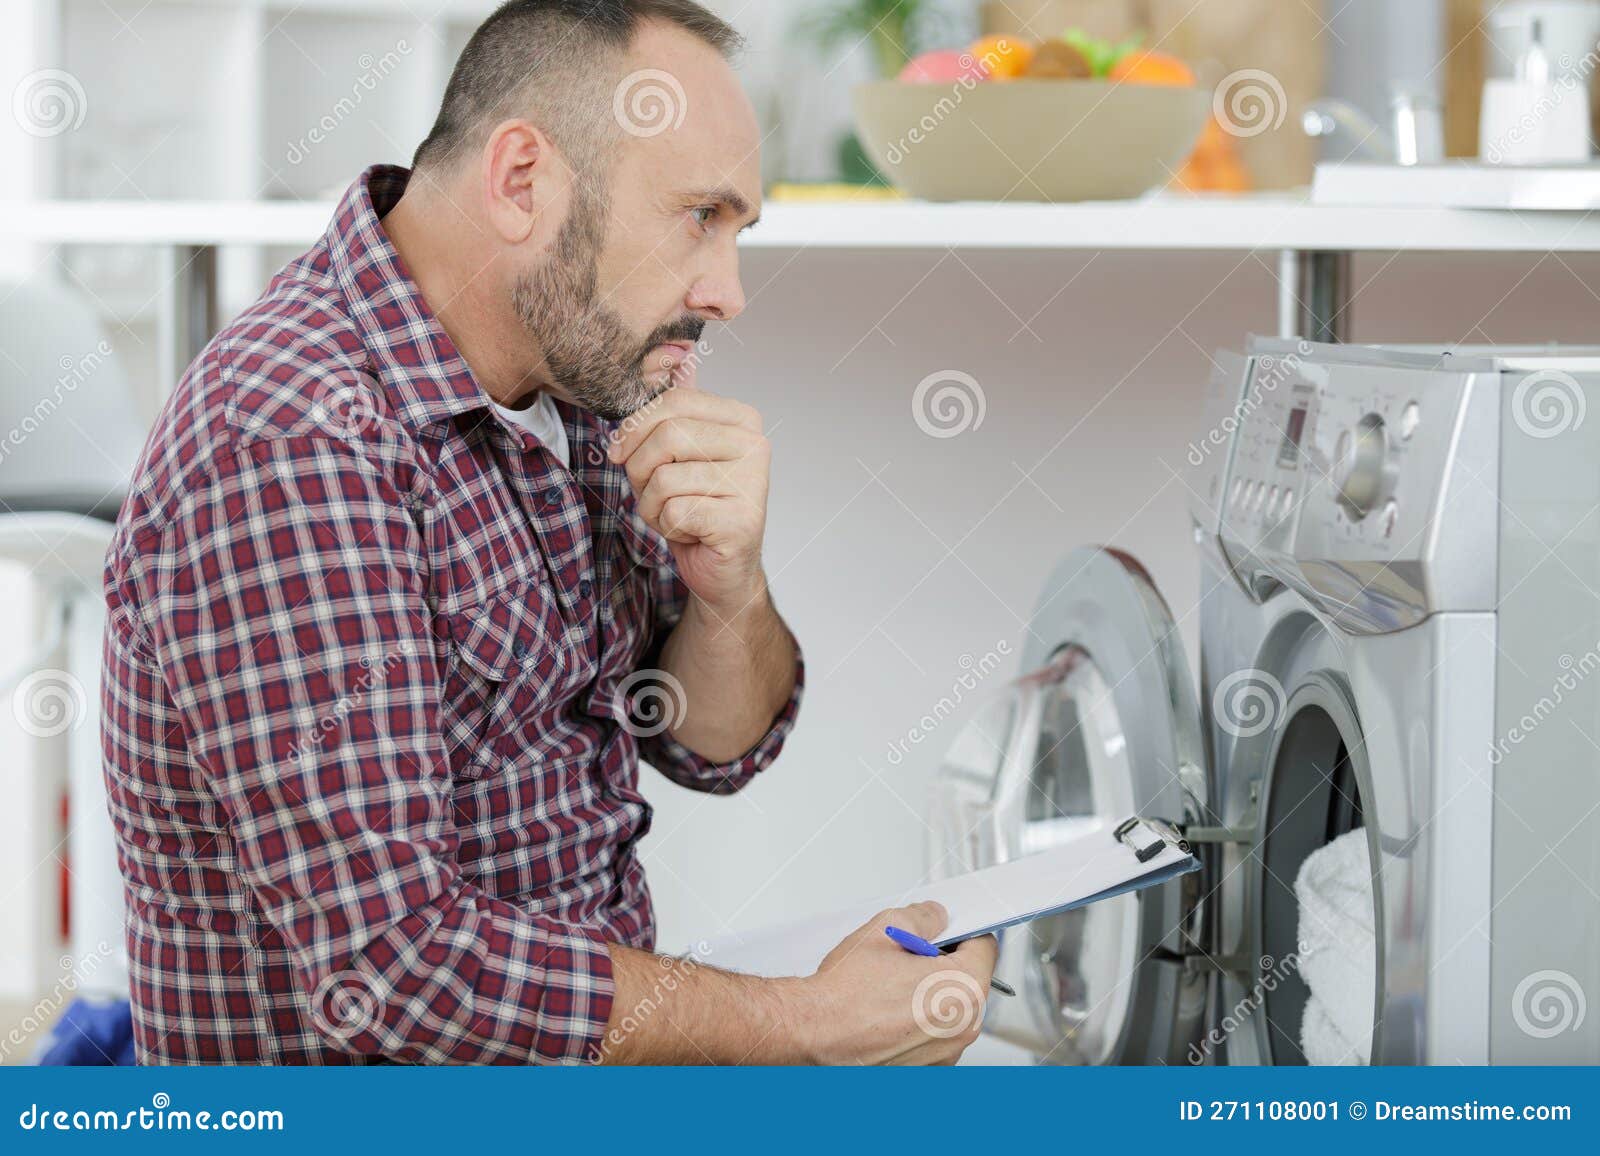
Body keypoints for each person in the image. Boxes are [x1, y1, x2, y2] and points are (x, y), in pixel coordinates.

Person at [100, 0, 996, 1066]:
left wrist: (731, 593)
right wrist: (804, 1023)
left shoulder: (567, 379)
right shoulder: (295, 439)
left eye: (736, 230)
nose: (727, 292)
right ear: (521, 179)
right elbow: (399, 971)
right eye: (698, 216)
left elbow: (711, 746)